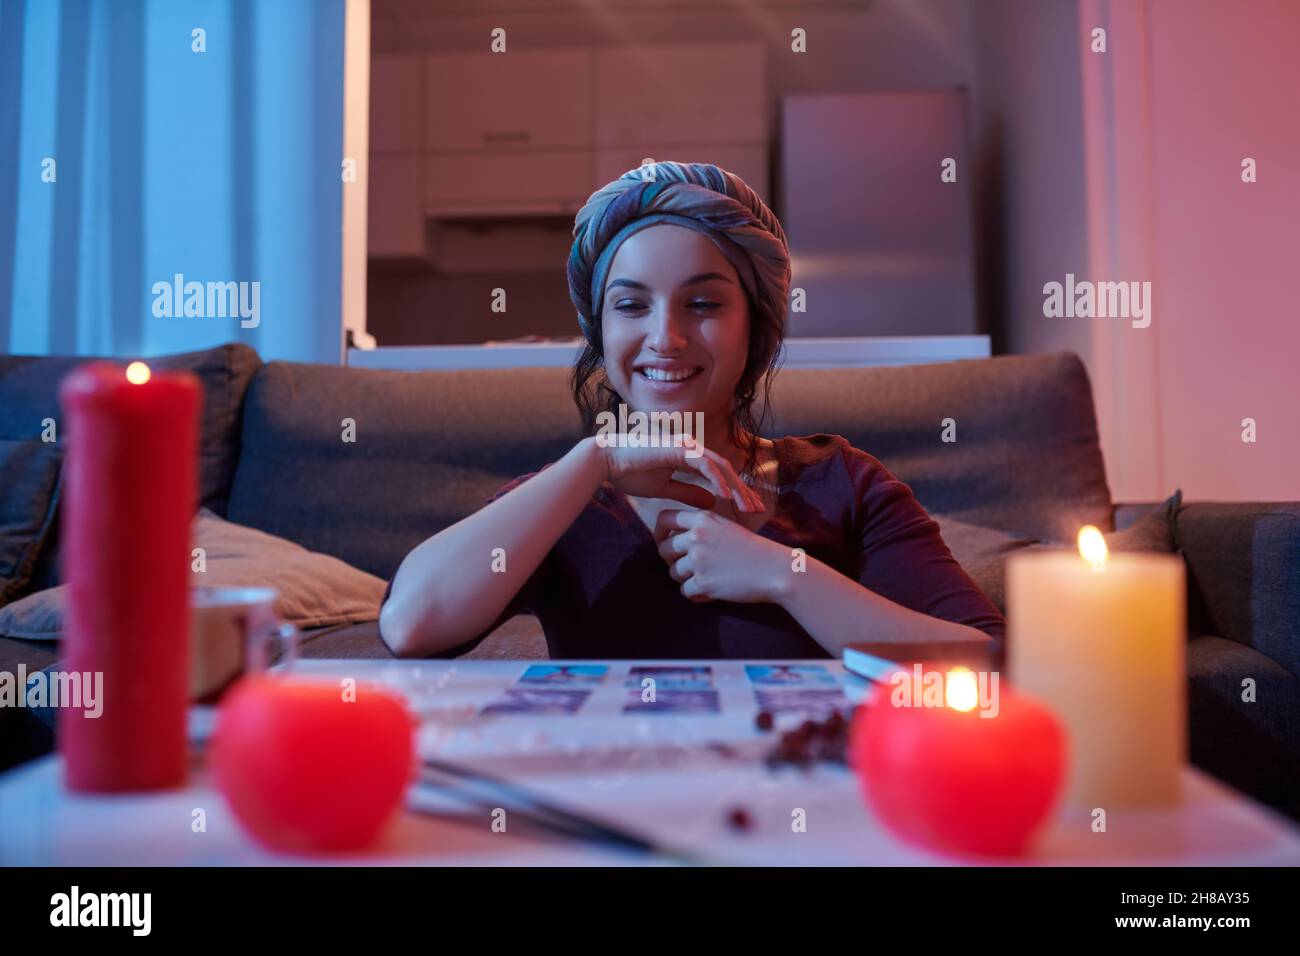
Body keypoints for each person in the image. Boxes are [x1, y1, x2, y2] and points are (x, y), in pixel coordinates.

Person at [380, 162, 1005, 659]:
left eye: (702, 304)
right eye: (630, 306)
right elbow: (411, 624)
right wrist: (594, 458)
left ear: (755, 329)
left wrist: (785, 576)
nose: (665, 338)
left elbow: (986, 663)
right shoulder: (570, 498)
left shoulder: (842, 483)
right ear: (600, 334)